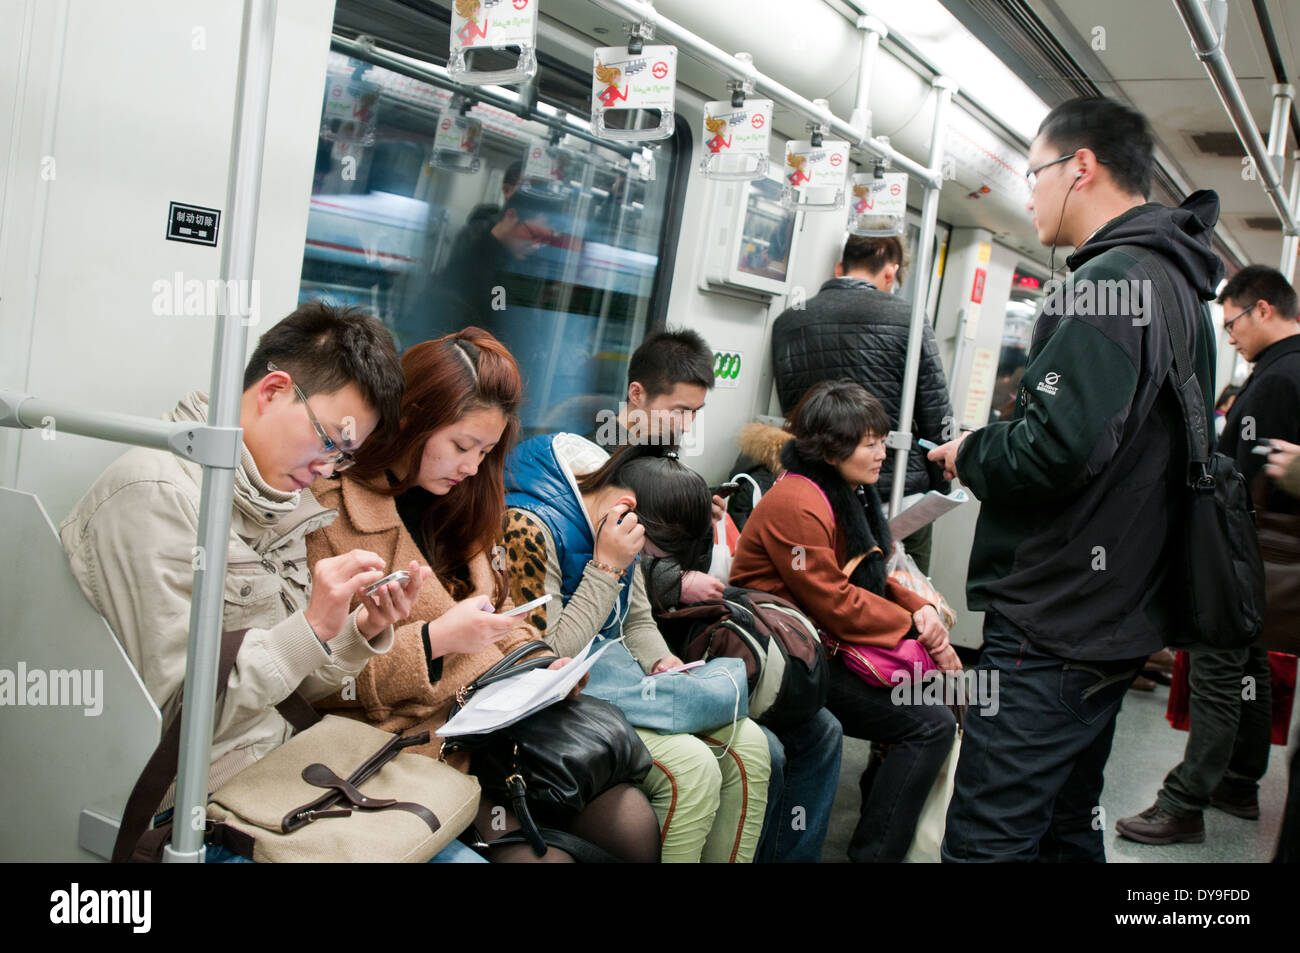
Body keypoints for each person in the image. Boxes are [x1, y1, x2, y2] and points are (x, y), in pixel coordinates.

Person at [926, 96, 1222, 861]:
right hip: (1119, 610)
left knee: (990, 837)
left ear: (1079, 167)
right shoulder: (1180, 288)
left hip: (1056, 621)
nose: (1029, 195)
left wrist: (974, 451)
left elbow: (1052, 451)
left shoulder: (1106, 283)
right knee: (1066, 820)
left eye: (1034, 174)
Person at [58, 301, 434, 861]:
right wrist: (308, 626)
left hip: (276, 772)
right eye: (331, 441)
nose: (328, 469)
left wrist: (354, 627)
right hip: (195, 804)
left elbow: (287, 688)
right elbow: (179, 720)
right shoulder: (155, 496)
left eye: (345, 456)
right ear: (274, 390)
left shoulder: (276, 505)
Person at [305, 328, 660, 862]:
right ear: (413, 420)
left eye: (486, 450)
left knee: (633, 818)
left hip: (488, 729)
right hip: (401, 744)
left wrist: (543, 665)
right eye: (461, 446)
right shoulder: (332, 511)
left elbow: (505, 616)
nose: (471, 465)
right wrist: (433, 641)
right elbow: (320, 677)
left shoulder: (465, 504)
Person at [501, 435, 772, 862]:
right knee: (692, 767)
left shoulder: (622, 519)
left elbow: (637, 619)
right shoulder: (528, 526)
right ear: (626, 509)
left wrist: (661, 661)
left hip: (612, 684)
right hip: (555, 704)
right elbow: (542, 658)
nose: (641, 561)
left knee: (752, 745)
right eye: (646, 554)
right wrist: (607, 568)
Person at [730, 380, 959, 862]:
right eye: (870, 442)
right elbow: (834, 601)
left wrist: (917, 605)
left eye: (881, 440)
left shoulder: (841, 490)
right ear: (832, 450)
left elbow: (865, 572)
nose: (882, 453)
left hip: (820, 640)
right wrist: (915, 624)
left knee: (936, 707)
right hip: (788, 655)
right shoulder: (798, 502)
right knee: (930, 722)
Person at [1118, 265, 1300, 845]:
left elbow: (1234, 479)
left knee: (1219, 668)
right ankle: (1239, 781)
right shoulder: (1285, 370)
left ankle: (1185, 800)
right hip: (1261, 558)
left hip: (1240, 553)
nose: (1230, 337)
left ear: (1264, 308)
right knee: (1246, 665)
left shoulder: (1277, 379)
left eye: (1234, 323)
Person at [771, 235, 953, 573]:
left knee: (826, 585)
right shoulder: (908, 317)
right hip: (898, 492)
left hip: (818, 490)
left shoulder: (789, 320)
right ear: (891, 273)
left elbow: (792, 408)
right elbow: (934, 409)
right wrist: (940, 485)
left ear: (840, 268)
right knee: (904, 597)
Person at [588, 327, 728, 606]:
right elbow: (590, 556)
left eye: (695, 412)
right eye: (679, 411)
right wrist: (674, 584)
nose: (687, 425)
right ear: (637, 394)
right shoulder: (596, 463)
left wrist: (696, 521)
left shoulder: (660, 452)